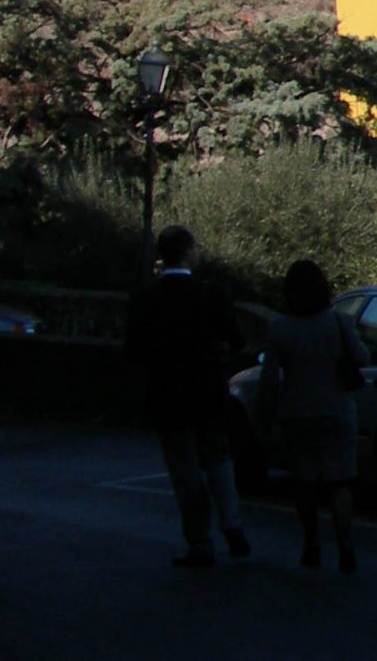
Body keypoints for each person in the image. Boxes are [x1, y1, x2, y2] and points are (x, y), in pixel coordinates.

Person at [126, 225, 249, 567]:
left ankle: (200, 541)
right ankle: (232, 522)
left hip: (168, 395)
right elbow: (238, 340)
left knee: (185, 469)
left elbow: (133, 352)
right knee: (219, 458)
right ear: (189, 252)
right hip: (208, 391)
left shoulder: (145, 299)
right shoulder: (212, 295)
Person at [256, 259, 367, 573]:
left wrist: (264, 419)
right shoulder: (340, 323)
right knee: (340, 481)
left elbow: (268, 380)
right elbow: (362, 357)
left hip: (298, 413)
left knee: (305, 482)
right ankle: (346, 547)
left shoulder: (280, 330)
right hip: (338, 410)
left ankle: (311, 545)